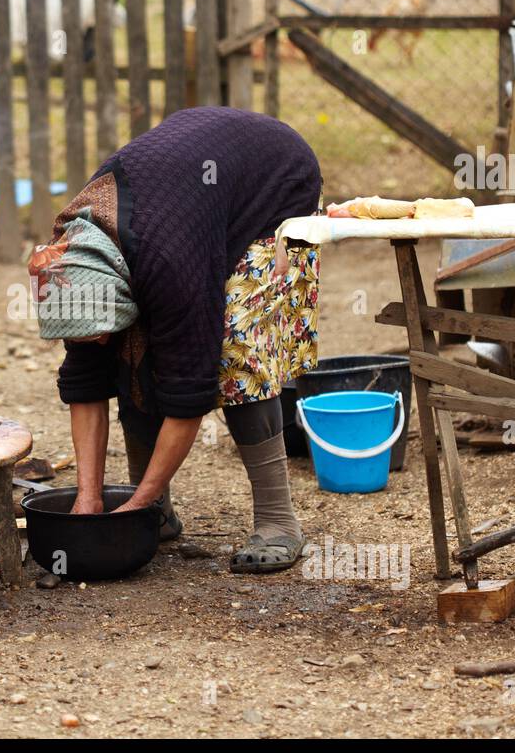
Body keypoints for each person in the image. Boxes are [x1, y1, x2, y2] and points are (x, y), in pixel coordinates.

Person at [29, 106, 323, 574]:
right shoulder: (73, 263)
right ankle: (156, 513)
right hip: (186, 200)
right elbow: (85, 381)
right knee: (127, 350)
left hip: (272, 184)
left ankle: (277, 519)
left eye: (100, 333)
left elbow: (190, 394)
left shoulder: (169, 264)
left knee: (233, 356)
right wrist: (88, 498)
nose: (96, 343)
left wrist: (132, 507)